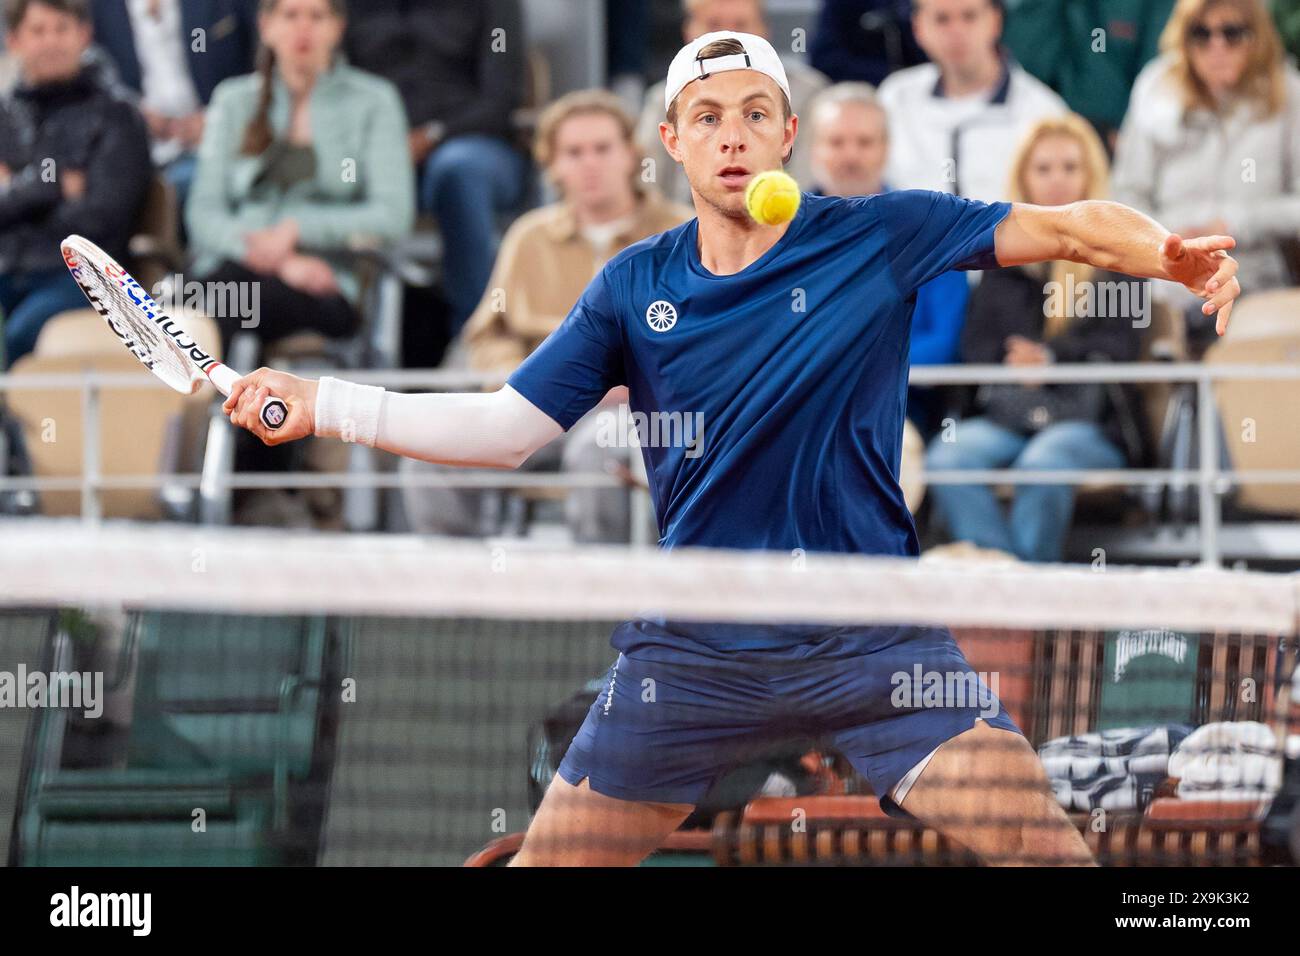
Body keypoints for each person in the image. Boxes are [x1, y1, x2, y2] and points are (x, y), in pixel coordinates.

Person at [223, 31, 1242, 866]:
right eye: (706, 117)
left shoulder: (879, 235)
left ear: (789, 133)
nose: (733, 135)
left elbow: (1067, 227)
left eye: (756, 113)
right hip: (695, 652)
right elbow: (503, 431)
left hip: (871, 638)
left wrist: (1168, 256)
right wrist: (326, 402)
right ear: (671, 140)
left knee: (1048, 854)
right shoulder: (632, 285)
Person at [400, 90, 691, 542]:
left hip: (637, 411)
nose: (589, 163)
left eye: (602, 148)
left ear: (632, 155)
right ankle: (458, 587)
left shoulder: (682, 231)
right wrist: (521, 383)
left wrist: (638, 384)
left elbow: (706, 339)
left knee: (600, 450)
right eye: (573, 153)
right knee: (430, 455)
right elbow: (488, 336)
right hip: (536, 402)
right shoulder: (529, 237)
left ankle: (603, 587)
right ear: (552, 165)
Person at [926, 114, 1148, 563]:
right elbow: (976, 347)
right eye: (1043, 169)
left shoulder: (1121, 257)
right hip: (1009, 417)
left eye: (1070, 167)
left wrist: (1051, 358)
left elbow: (1122, 348)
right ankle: (1010, 580)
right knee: (946, 460)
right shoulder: (996, 257)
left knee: (1044, 462)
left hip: (1090, 423)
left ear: (1090, 175)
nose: (1056, 180)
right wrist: (1012, 362)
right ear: (1024, 177)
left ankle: (1022, 592)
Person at [185, 0, 415, 356]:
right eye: (290, 15)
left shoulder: (375, 101)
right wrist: (278, 260)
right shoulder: (233, 100)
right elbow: (203, 211)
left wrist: (298, 228)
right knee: (186, 300)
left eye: (317, 16)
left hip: (325, 279)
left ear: (338, 27)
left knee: (213, 303)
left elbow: (392, 216)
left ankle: (204, 392)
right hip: (236, 265)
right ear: (266, 25)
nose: (303, 28)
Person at [1112, 0, 1300, 351]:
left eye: (1232, 33)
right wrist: (1170, 236)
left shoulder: (1288, 91)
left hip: (1255, 279)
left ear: (1256, 37)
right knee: (1133, 320)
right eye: (1201, 34)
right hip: (1167, 277)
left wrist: (1234, 225)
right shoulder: (1156, 86)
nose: (1217, 46)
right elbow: (1125, 194)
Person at [343, 0, 528, 335]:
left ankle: (475, 335)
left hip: (474, 144)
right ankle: (341, 336)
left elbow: (501, 99)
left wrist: (432, 136)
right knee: (335, 171)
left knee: (457, 170)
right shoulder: (350, 7)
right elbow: (336, 89)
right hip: (375, 152)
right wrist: (379, 146)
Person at [808, 81, 968, 437]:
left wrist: (854, 367)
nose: (851, 156)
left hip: (899, 411)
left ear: (886, 149)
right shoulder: (778, 234)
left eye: (864, 142)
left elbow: (944, 342)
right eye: (836, 142)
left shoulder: (930, 230)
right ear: (814, 149)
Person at [0, 0, 151, 367]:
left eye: (61, 28)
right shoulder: (5, 116)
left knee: (20, 332)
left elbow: (103, 216)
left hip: (83, 275)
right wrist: (50, 187)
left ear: (85, 34)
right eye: (38, 30)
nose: (51, 41)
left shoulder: (117, 115)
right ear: (14, 40)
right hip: (9, 266)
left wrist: (15, 191)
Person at [636, 0, 827, 205]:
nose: (727, 36)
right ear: (689, 31)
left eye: (756, 115)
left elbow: (810, 181)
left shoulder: (809, 92)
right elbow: (647, 189)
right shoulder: (661, 99)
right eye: (708, 118)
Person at [876, 0, 1067, 203]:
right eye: (942, 19)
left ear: (995, 21)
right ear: (918, 27)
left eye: (969, 16)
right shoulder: (894, 99)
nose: (956, 31)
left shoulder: (1044, 111)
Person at [90, 0, 259, 209]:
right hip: (143, 152)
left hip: (218, 141)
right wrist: (137, 116)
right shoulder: (100, 9)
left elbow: (258, 65)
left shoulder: (223, 7)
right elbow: (95, 76)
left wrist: (216, 119)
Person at [1000, 0, 1175, 147]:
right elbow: (1021, 60)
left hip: (1115, 133)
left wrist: (1122, 129)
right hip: (1043, 127)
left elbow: (1154, 70)